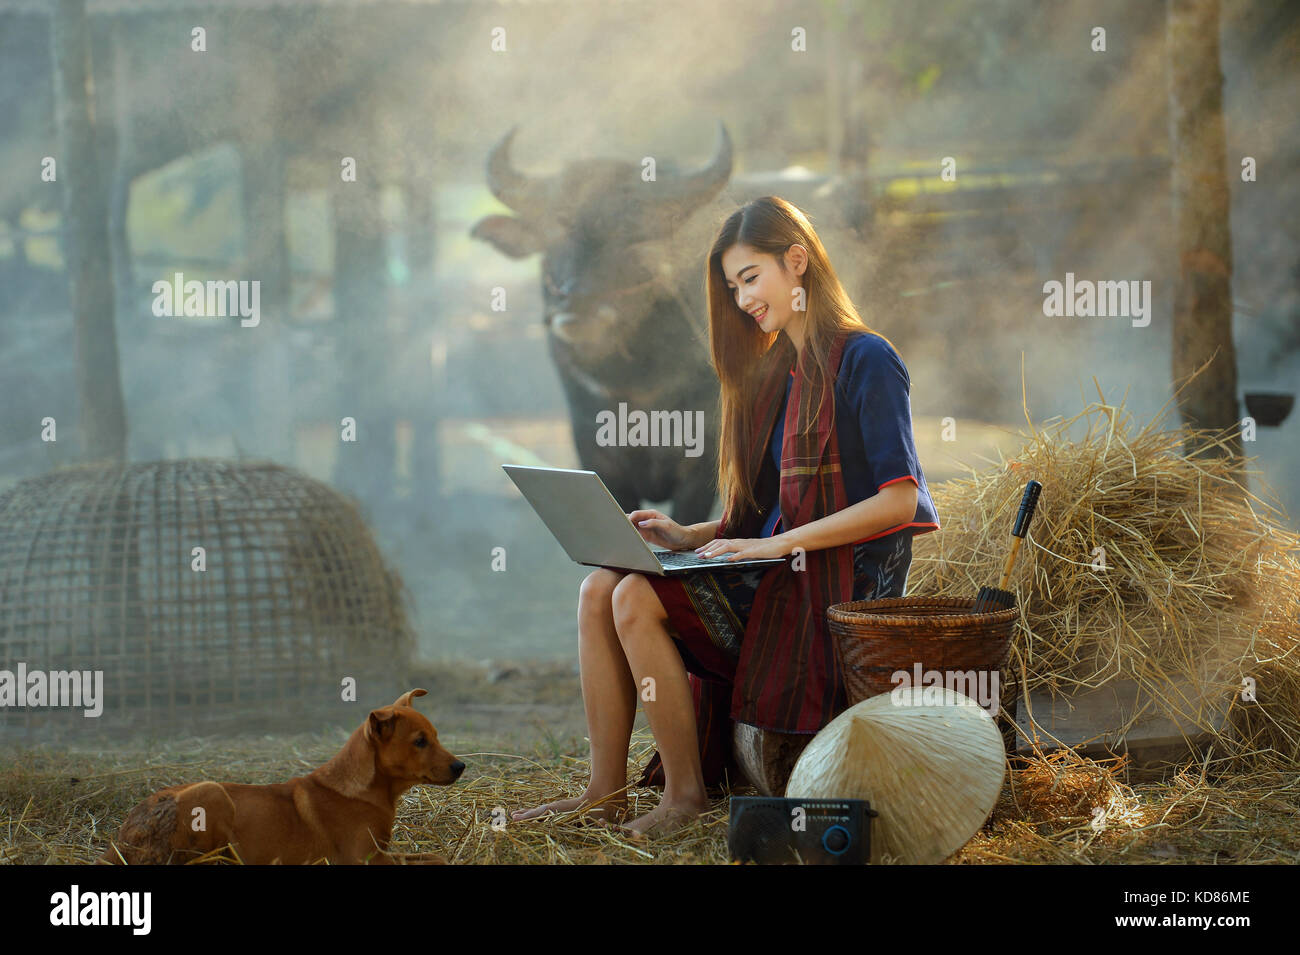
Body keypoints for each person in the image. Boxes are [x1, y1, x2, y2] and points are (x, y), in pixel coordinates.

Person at [511, 196, 939, 837]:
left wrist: (774, 547)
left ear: (797, 262)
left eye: (750, 279)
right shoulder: (780, 372)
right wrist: (693, 535)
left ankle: (685, 798)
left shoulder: (867, 358)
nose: (741, 301)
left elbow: (899, 501)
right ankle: (603, 791)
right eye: (733, 287)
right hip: (780, 569)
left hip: (842, 586)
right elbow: (767, 515)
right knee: (600, 584)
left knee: (635, 597)